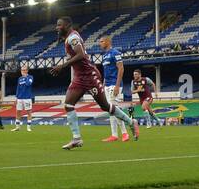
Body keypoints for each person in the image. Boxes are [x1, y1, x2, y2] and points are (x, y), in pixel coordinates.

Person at [50, 17, 139, 150]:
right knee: (68, 104)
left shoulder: (73, 38)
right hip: (79, 77)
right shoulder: (69, 37)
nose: (57, 27)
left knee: (105, 106)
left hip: (89, 76)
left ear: (68, 25)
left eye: (59, 25)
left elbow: (80, 55)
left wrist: (62, 66)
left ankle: (131, 122)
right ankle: (76, 138)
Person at [98, 35, 130, 142]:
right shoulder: (104, 55)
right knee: (111, 110)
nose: (100, 43)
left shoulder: (115, 53)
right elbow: (106, 72)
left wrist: (117, 85)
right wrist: (103, 85)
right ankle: (114, 135)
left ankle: (125, 133)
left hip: (114, 84)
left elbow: (121, 68)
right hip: (107, 85)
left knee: (114, 109)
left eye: (102, 41)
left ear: (108, 42)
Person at [12, 65, 35, 132]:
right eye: (22, 70)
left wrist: (25, 77)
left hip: (27, 98)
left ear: (27, 70)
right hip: (19, 98)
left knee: (29, 112)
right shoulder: (19, 79)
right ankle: (17, 127)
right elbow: (18, 89)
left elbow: (28, 84)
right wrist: (16, 98)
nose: (23, 71)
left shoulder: (30, 77)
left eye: (25, 70)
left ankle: (28, 127)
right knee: (18, 112)